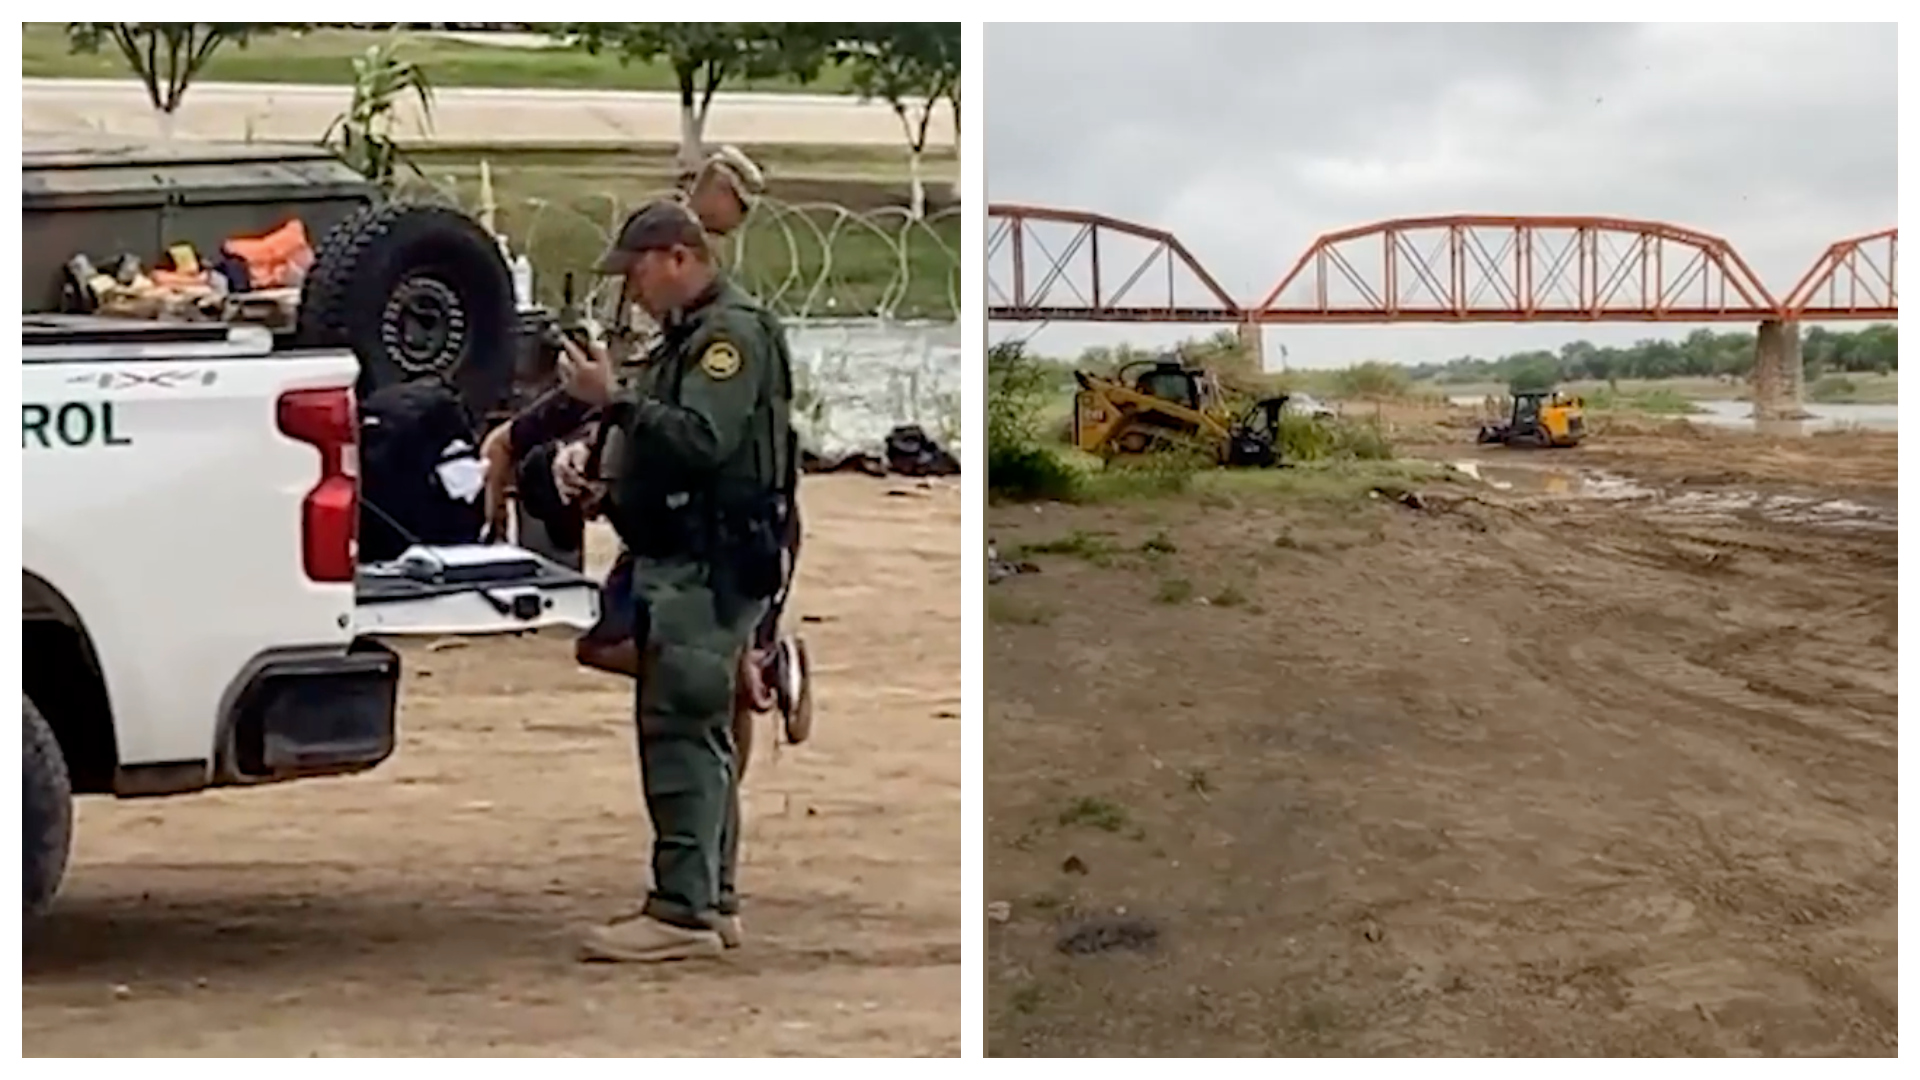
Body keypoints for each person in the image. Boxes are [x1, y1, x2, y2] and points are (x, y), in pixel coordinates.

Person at [562, 199, 797, 963]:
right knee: (705, 736)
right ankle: (711, 900)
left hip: (706, 565)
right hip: (687, 554)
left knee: (681, 734)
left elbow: (702, 440)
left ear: (674, 258)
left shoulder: (727, 338)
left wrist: (616, 400)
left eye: (636, 274)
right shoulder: (690, 339)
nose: (632, 292)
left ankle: (682, 911)